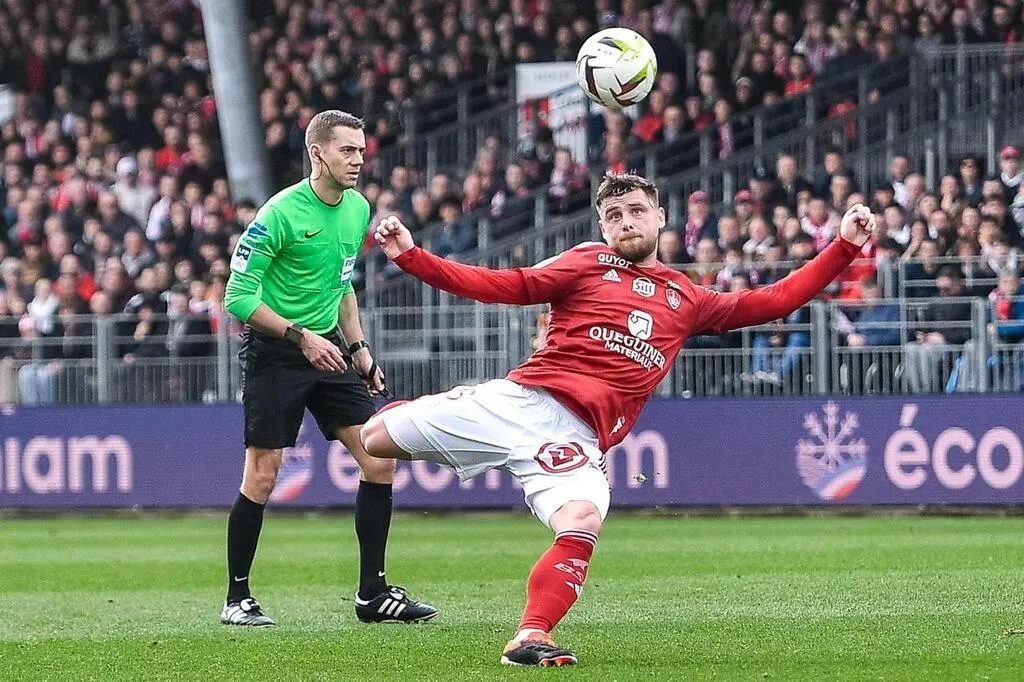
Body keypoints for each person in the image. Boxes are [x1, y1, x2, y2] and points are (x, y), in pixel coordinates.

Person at [360, 172, 874, 666]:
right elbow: (509, 285)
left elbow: (771, 301)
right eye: (613, 215)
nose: (625, 221)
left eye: (635, 211)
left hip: (577, 440)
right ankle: (423, 413)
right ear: (603, 228)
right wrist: (412, 257)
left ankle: (531, 634)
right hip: (520, 402)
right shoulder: (587, 262)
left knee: (582, 520)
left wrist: (843, 247)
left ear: (659, 218)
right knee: (374, 438)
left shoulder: (688, 297)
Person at [221, 110, 436, 627]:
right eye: (347, 150)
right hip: (277, 352)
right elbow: (237, 296)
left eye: (361, 150)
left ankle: (372, 594)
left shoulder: (357, 209)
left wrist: (359, 348)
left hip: (330, 349)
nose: (359, 160)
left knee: (379, 458)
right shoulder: (278, 214)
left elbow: (342, 285)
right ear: (318, 153)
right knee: (263, 474)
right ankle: (237, 599)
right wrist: (300, 336)